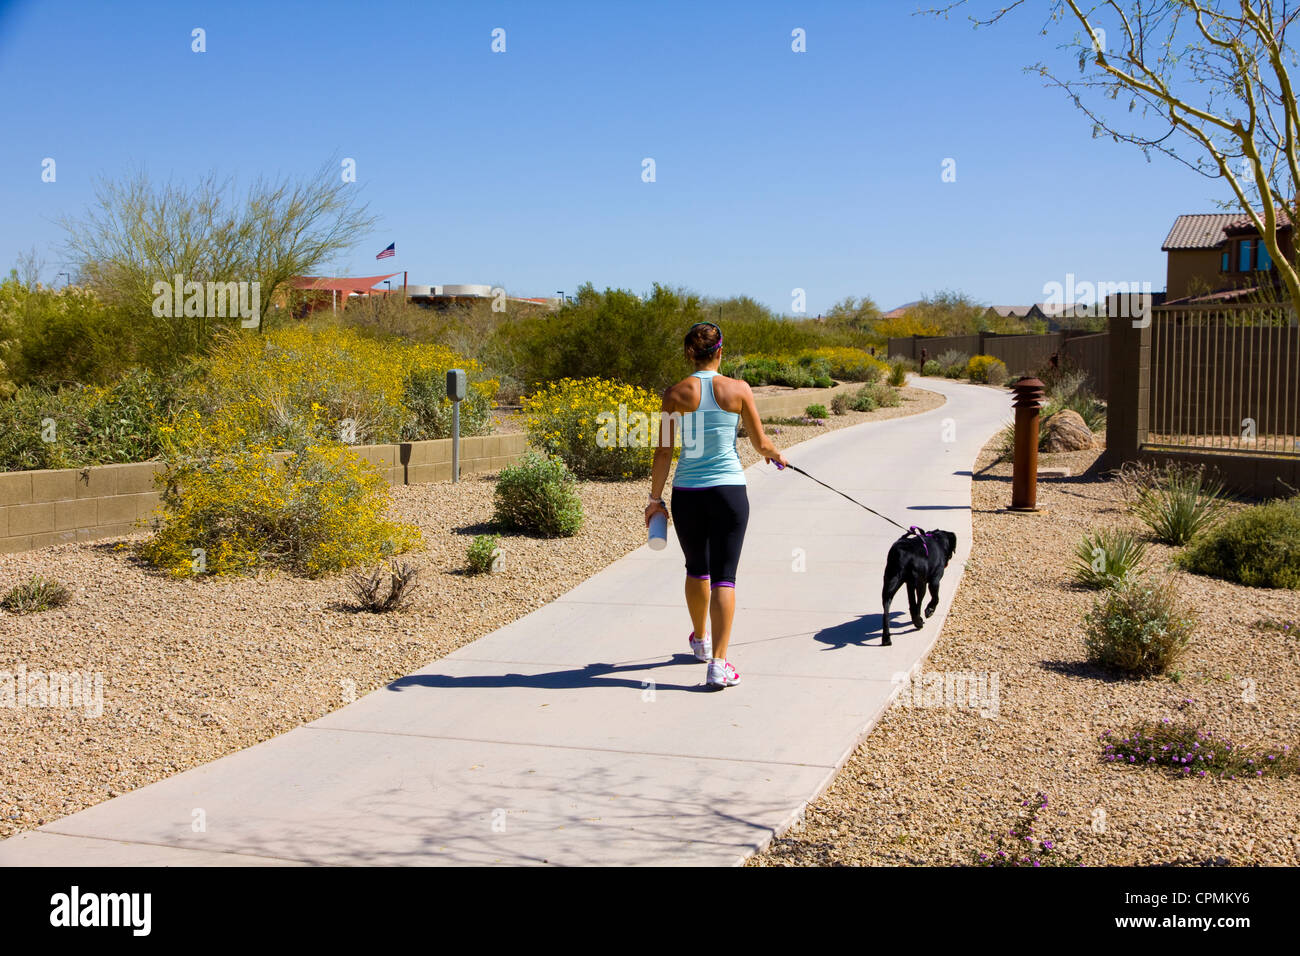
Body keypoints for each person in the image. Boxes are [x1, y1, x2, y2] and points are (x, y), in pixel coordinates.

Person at [645, 322, 787, 690]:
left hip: (689, 493)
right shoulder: (738, 389)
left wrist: (654, 499)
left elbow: (664, 450)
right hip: (729, 493)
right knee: (725, 576)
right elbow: (760, 443)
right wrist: (777, 456)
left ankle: (700, 640)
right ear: (720, 351)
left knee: (696, 569)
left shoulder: (675, 393)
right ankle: (719, 665)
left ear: (689, 353)